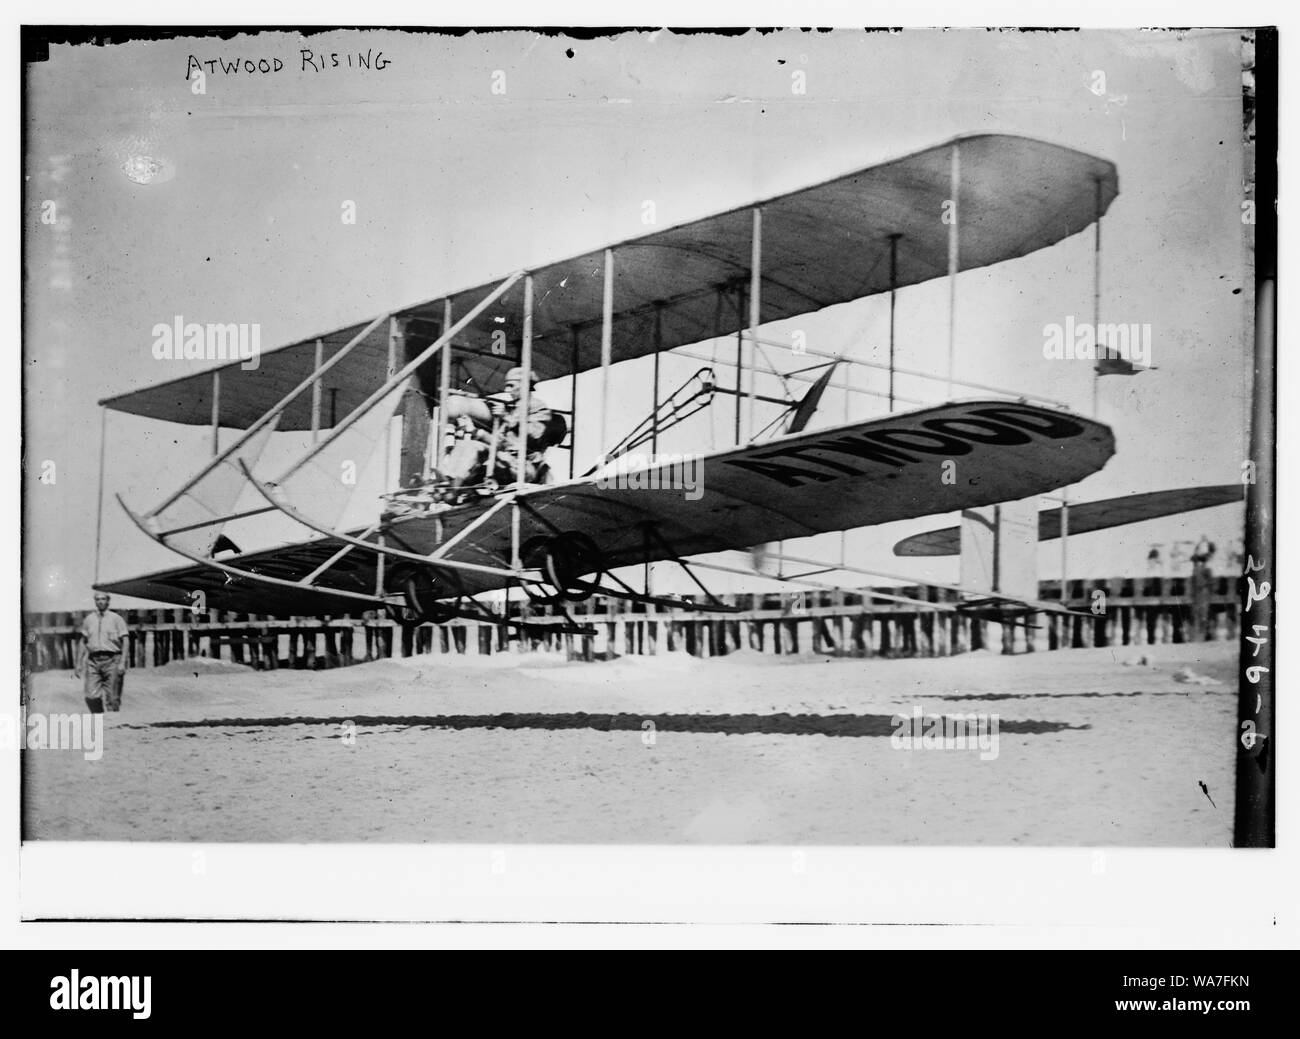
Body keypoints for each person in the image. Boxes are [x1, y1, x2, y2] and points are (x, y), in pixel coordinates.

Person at [438, 367, 565, 497]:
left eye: (511, 385)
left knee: (479, 465)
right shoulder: (513, 409)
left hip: (524, 465)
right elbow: (499, 442)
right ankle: (448, 482)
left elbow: (535, 434)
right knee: (468, 445)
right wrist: (476, 432)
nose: (506, 390)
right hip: (504, 458)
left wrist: (506, 417)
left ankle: (452, 490)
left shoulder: (538, 407)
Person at [73, 592, 129, 712]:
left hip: (112, 660)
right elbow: (83, 642)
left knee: (113, 697)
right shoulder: (89, 619)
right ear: (95, 601)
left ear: (108, 601)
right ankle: (99, 719)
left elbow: (125, 640)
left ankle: (112, 724)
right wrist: (78, 664)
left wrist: (122, 662)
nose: (100, 601)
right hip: (93, 661)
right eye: (98, 599)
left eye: (103, 599)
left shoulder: (116, 619)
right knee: (91, 695)